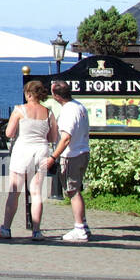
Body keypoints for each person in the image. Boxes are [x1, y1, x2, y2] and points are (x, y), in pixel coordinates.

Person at [0, 79, 58, 240]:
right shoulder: (49, 113)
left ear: (28, 94)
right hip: (41, 150)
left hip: (22, 150)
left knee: (15, 192)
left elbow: (9, 133)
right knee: (36, 193)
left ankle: (6, 228)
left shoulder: (19, 110)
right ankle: (36, 230)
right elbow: (53, 137)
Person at [48, 81, 92, 242]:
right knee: (76, 190)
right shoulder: (79, 106)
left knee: (73, 192)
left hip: (71, 154)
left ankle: (79, 228)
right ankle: (84, 224)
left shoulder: (68, 111)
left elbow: (66, 137)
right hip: (83, 150)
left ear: (56, 95)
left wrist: (53, 157)